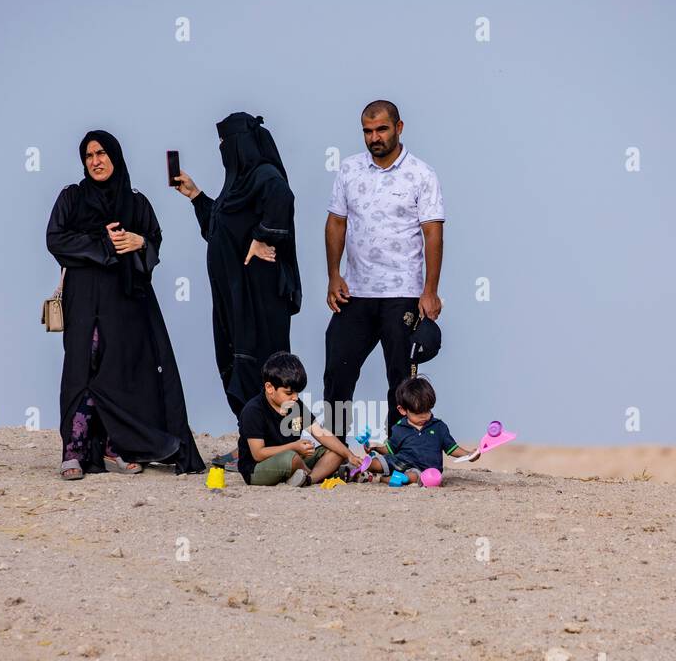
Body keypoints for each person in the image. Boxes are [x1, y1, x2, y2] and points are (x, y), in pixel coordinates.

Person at [46, 129, 205, 480]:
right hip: (84, 299)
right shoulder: (71, 198)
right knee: (81, 368)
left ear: (115, 156)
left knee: (120, 371)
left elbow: (154, 243)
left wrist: (138, 242)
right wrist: (104, 245)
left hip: (125, 301)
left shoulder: (135, 203)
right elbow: (55, 239)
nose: (96, 161)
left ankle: (116, 447)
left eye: (101, 153)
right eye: (88, 156)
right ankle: (74, 451)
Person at [173, 113, 301, 470]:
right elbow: (221, 227)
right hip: (233, 296)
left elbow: (283, 198)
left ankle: (277, 446)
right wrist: (197, 196)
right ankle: (252, 443)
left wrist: (264, 236)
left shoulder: (265, 177)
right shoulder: (237, 186)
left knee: (263, 366)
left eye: (225, 144)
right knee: (237, 361)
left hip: (258, 297)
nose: (222, 151)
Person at [323, 99, 445, 442]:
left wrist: (430, 290)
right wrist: (334, 275)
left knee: (400, 379)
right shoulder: (348, 170)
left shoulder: (422, 174)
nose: (374, 137)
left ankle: (400, 449)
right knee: (338, 371)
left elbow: (432, 230)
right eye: (367, 131)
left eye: (381, 129)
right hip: (356, 292)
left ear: (399, 128)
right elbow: (335, 223)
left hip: (402, 292)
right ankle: (335, 446)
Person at [236, 352, 362, 487]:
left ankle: (309, 479)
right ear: (269, 388)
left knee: (337, 450)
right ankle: (316, 475)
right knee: (291, 458)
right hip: (258, 469)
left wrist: (349, 455)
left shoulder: (295, 404)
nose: (295, 397)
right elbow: (258, 454)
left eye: (297, 393)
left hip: (295, 459)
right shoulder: (254, 410)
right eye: (289, 393)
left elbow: (320, 432)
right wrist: (294, 447)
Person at [362, 377, 477, 485]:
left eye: (427, 411)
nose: (423, 417)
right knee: (375, 463)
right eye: (417, 414)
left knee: (413, 476)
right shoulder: (399, 428)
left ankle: (391, 478)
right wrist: (375, 446)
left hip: (423, 469)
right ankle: (359, 469)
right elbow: (390, 449)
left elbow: (452, 448)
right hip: (400, 461)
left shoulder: (439, 427)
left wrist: (468, 454)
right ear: (402, 410)